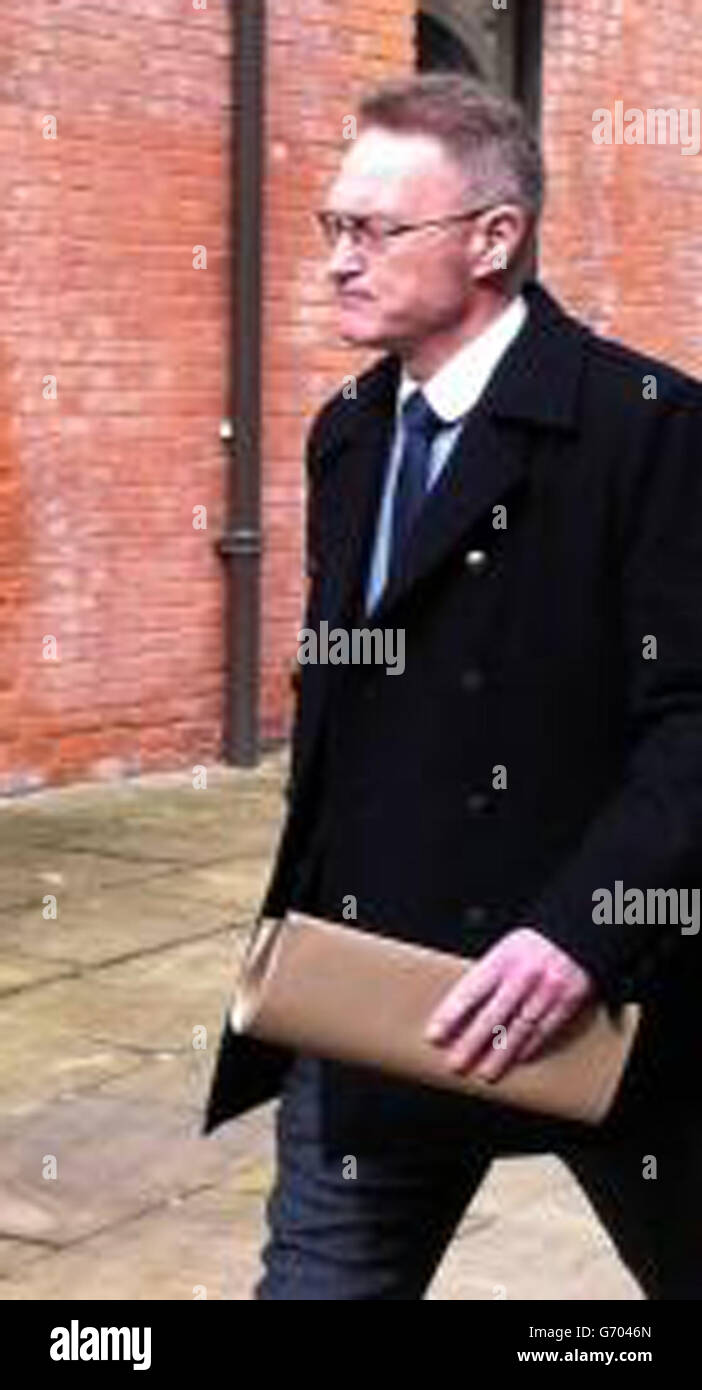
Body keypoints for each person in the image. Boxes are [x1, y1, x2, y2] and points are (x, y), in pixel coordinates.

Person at [203, 74, 702, 1300]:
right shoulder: (350, 431)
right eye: (331, 227)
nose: (336, 261)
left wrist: (583, 933)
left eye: (375, 230)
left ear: (495, 238)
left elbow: (694, 720)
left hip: (608, 994)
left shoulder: (651, 428)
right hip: (376, 991)